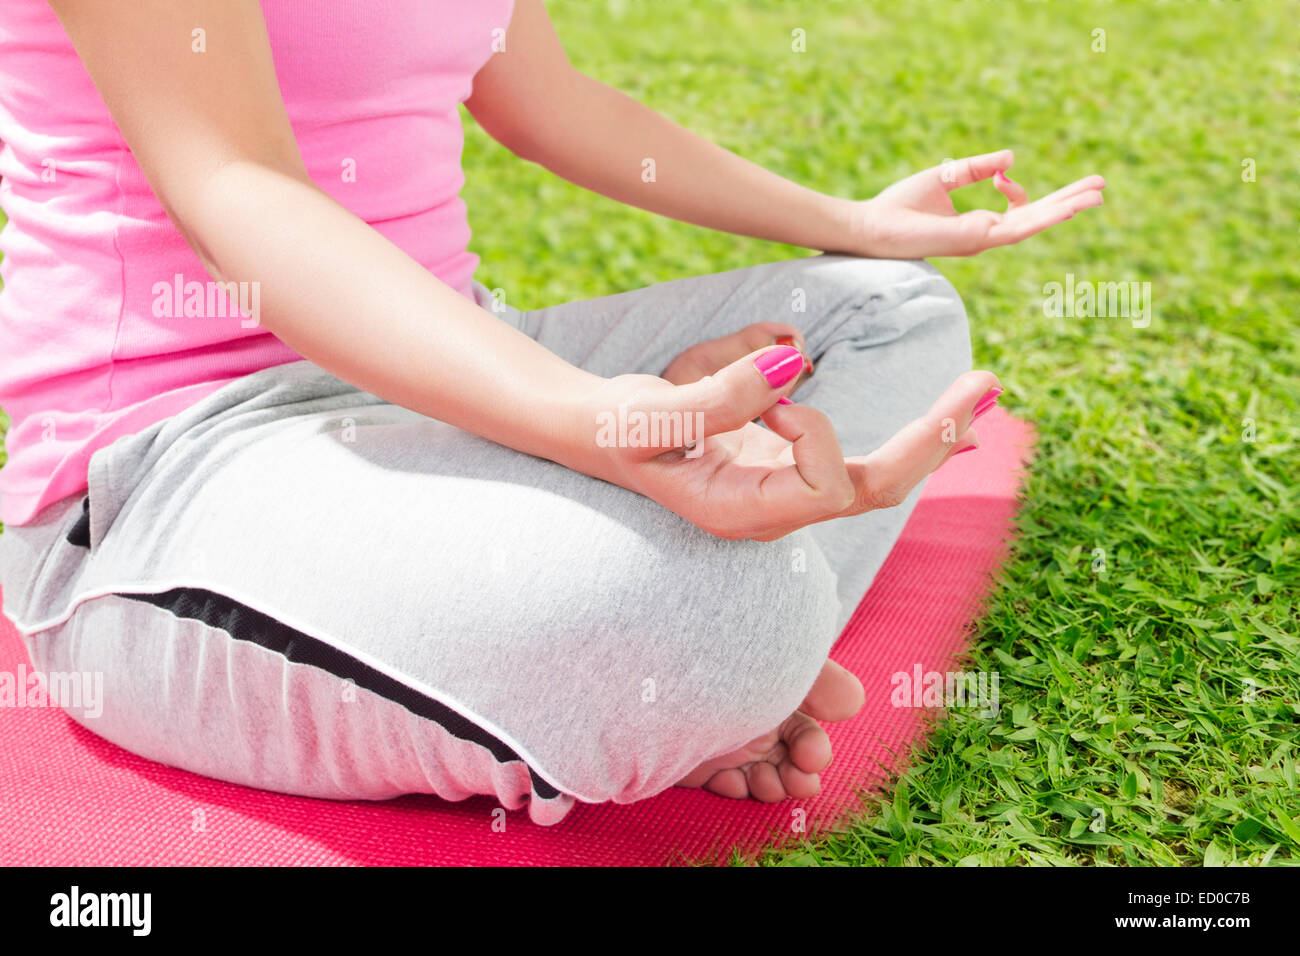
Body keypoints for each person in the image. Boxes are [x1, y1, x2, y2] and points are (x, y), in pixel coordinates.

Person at [0, 0, 1103, 825]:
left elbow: (552, 104)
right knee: (717, 618)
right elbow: (236, 186)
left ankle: (704, 658)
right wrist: (594, 423)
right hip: (182, 452)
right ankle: (713, 644)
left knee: (888, 314)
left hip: (463, 356)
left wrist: (850, 221)